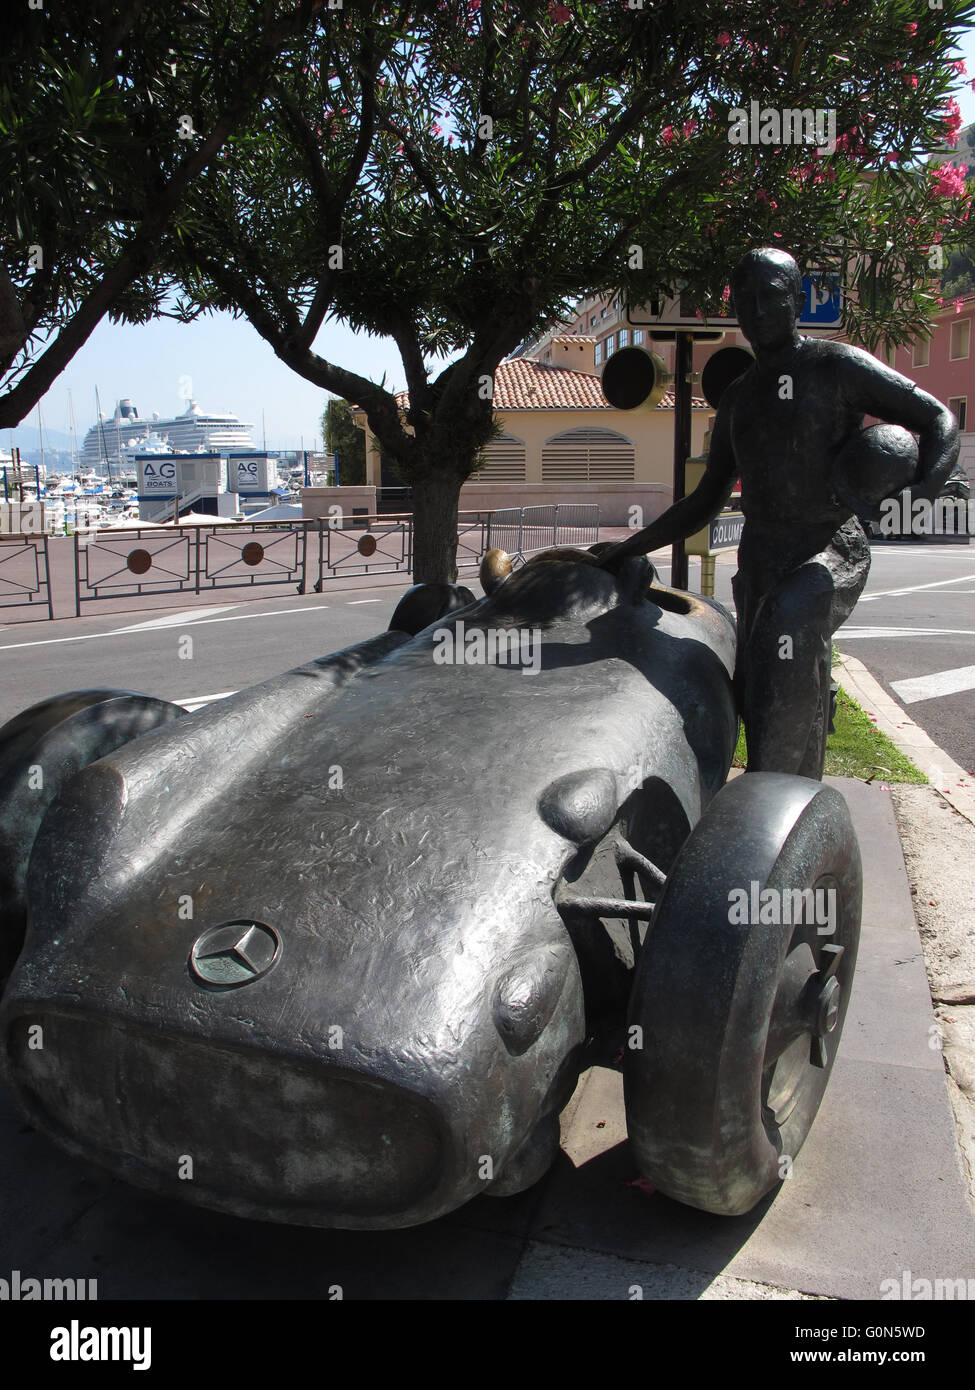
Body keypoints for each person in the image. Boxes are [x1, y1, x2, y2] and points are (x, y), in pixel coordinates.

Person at [595, 248, 959, 778]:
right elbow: (703, 500)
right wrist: (628, 548)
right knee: (761, 684)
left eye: (771, 295)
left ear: (795, 300)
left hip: (830, 548)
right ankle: (784, 792)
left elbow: (937, 417)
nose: (759, 309)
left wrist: (921, 489)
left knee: (792, 621)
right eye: (746, 298)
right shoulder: (740, 400)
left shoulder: (836, 366)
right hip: (763, 557)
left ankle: (779, 805)